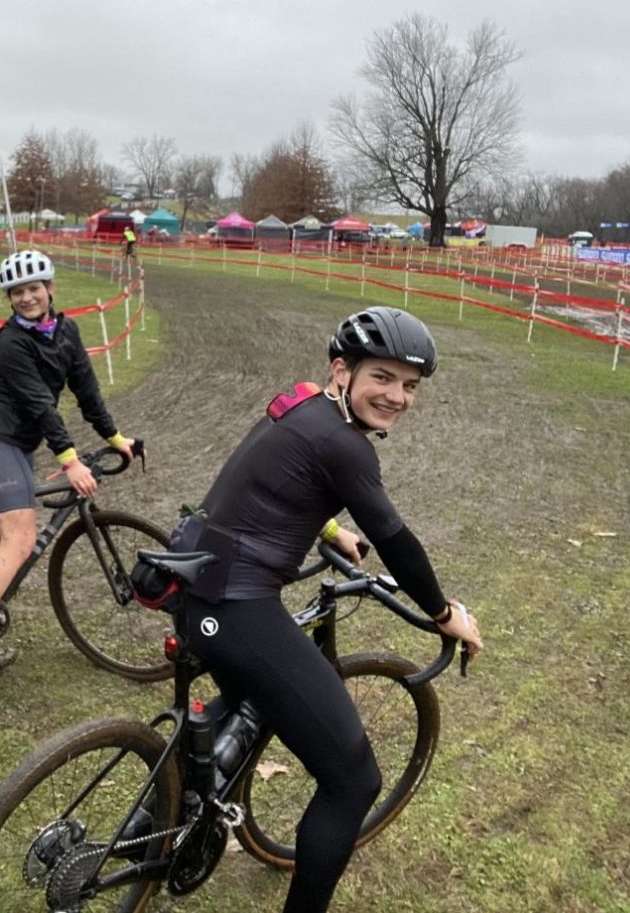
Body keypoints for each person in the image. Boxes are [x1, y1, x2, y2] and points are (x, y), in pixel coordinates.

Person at [173, 306, 482, 913]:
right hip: (231, 604)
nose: (397, 397)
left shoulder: (304, 408)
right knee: (353, 781)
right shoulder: (345, 446)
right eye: (383, 378)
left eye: (410, 386)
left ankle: (187, 809)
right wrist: (444, 612)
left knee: (255, 691)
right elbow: (395, 541)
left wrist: (331, 526)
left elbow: (272, 478)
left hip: (197, 579)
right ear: (342, 369)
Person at [0, 249, 135, 671]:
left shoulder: (66, 333)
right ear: (10, 299)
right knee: (19, 540)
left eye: (34, 288)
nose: (27, 298)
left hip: (18, 447)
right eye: (17, 293)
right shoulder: (11, 345)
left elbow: (87, 393)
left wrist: (116, 437)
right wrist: (70, 462)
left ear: (50, 289)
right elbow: (41, 406)